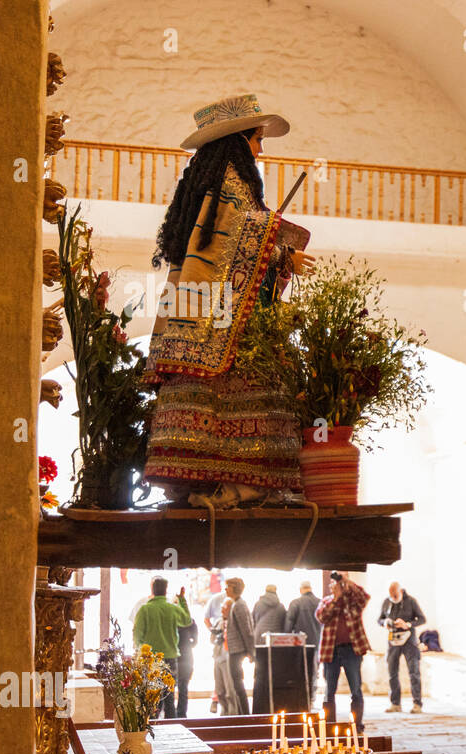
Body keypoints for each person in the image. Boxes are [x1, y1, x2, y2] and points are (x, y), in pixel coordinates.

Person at [144, 93, 314, 508]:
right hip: (224, 320)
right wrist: (280, 251)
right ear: (237, 141)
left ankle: (207, 482)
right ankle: (242, 481)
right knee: (249, 384)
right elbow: (237, 242)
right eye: (256, 139)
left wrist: (273, 239)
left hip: (206, 312)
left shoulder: (212, 185)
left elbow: (238, 241)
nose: (261, 148)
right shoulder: (230, 187)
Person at [316, 572, 370, 732]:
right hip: (330, 651)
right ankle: (329, 725)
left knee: (356, 689)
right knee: (329, 690)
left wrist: (348, 583)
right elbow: (321, 617)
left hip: (351, 649)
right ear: (330, 587)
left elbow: (364, 598)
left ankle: (357, 726)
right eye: (334, 583)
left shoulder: (353, 602)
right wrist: (335, 598)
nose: (337, 586)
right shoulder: (326, 601)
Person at [132, 577, 191, 719]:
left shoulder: (145, 609)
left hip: (151, 659)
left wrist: (140, 652)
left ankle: (153, 727)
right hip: (171, 657)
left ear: (152, 589)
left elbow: (137, 634)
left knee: (152, 697)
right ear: (166, 590)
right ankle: (171, 727)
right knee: (169, 696)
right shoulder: (172, 608)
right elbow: (187, 620)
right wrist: (182, 600)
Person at [376, 582, 426, 714]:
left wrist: (408, 624)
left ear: (401, 591)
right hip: (393, 640)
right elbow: (379, 619)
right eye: (391, 595)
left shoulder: (411, 601)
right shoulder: (387, 602)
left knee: (414, 671)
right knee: (392, 671)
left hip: (409, 640)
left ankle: (417, 703)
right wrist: (385, 622)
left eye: (396, 595)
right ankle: (395, 703)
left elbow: (422, 619)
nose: (393, 597)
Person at [285, 581, 323, 709]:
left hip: (300, 644)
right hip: (318, 642)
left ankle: (302, 699)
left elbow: (289, 624)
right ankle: (312, 699)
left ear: (301, 589)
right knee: (314, 671)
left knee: (301, 672)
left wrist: (286, 641)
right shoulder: (320, 602)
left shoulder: (296, 603)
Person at [223, 577, 255, 715]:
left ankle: (244, 714)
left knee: (238, 684)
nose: (225, 589)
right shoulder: (236, 603)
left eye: (228, 586)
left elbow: (246, 629)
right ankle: (242, 713)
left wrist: (250, 651)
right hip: (237, 648)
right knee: (237, 683)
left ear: (234, 587)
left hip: (238, 649)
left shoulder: (239, 605)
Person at [204, 589, 228, 713]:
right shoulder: (216, 600)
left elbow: (206, 619)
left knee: (223, 684)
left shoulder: (216, 600)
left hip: (223, 655)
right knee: (223, 684)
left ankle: (224, 709)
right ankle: (220, 705)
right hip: (222, 655)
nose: (222, 610)